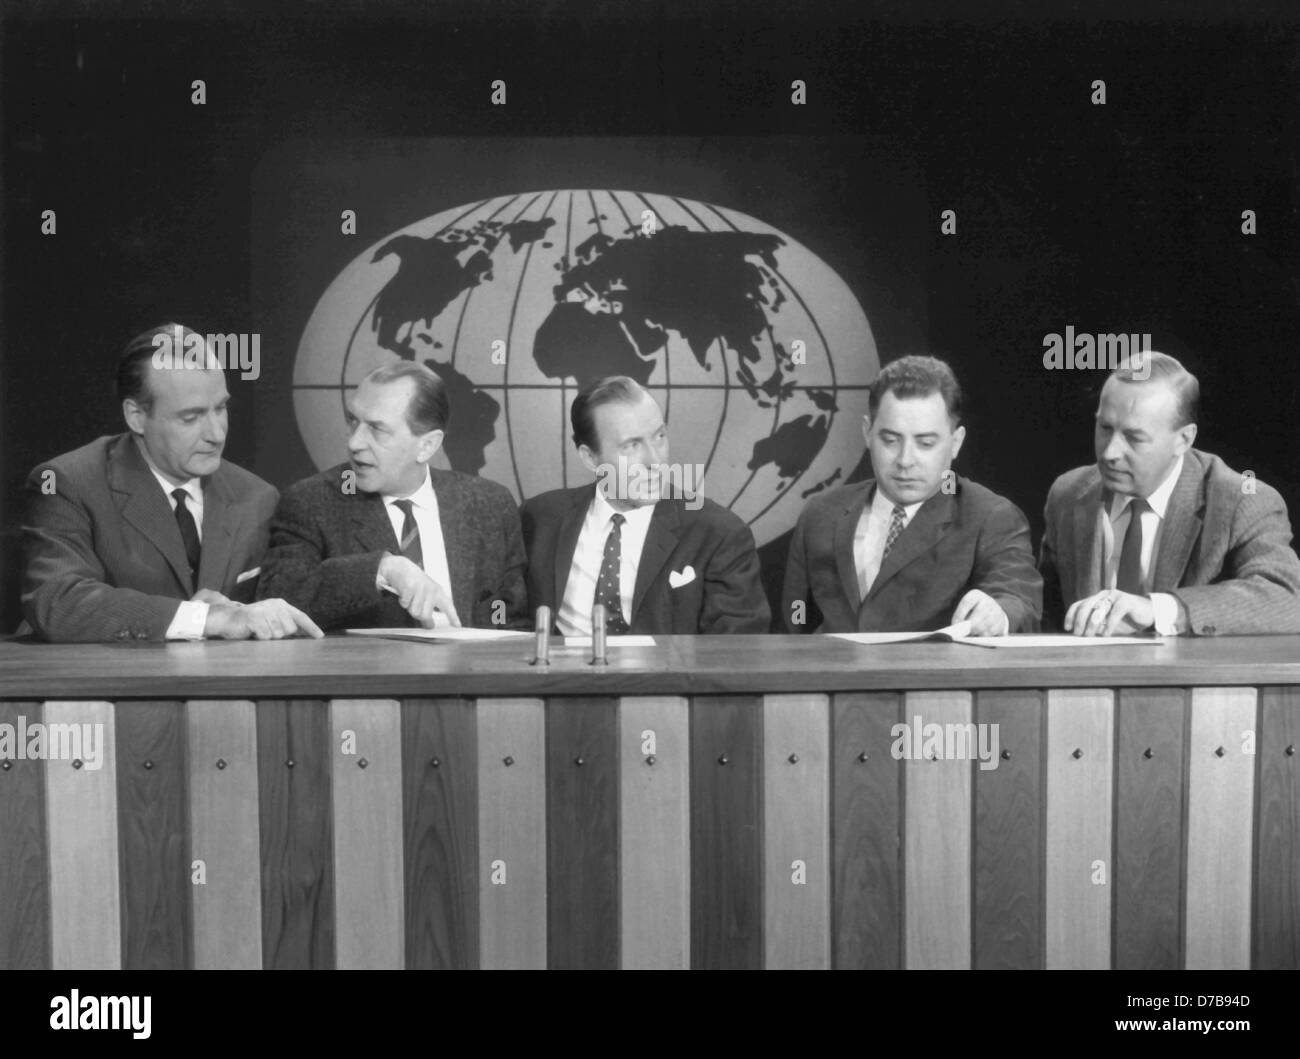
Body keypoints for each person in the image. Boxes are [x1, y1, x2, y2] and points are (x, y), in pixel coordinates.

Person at [22, 323, 322, 642]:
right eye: (190, 418)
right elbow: (60, 602)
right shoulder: (69, 483)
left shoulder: (257, 497)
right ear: (136, 415)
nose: (216, 434)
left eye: (220, 408)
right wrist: (204, 619)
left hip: (219, 686)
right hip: (103, 684)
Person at [1040, 350, 1300, 635]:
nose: (1110, 452)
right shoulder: (1068, 495)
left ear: (1184, 439)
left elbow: (1288, 598)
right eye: (1104, 427)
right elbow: (1046, 616)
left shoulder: (1242, 502)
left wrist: (1159, 609)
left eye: (1134, 437)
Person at [257, 360, 526, 631]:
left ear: (427, 445)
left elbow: (512, 621)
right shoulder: (311, 502)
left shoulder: (489, 505)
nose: (354, 443)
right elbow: (278, 599)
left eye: (377, 429)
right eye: (353, 421)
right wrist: (381, 570)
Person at [782, 355, 1041, 634]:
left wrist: (998, 613)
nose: (905, 460)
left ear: (956, 443)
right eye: (890, 440)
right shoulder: (821, 514)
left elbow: (1018, 598)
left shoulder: (990, 517)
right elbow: (795, 621)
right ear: (867, 433)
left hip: (933, 676)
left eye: (925, 443)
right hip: (829, 675)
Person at [521, 376, 770, 635]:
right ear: (590, 458)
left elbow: (740, 651)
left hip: (667, 675)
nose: (655, 461)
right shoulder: (539, 519)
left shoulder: (718, 533)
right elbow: (508, 622)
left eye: (659, 436)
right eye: (631, 446)